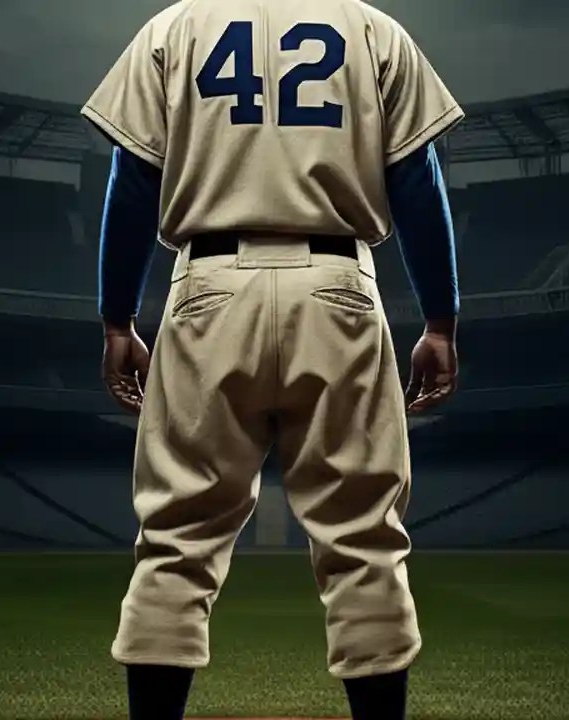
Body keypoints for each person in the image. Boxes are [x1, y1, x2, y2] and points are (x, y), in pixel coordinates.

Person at [81, 0, 462, 717]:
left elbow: (132, 179)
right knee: (364, 543)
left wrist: (116, 320)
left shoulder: (175, 26)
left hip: (208, 287)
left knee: (174, 542)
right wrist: (440, 320)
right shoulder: (371, 28)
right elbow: (417, 178)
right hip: (338, 285)